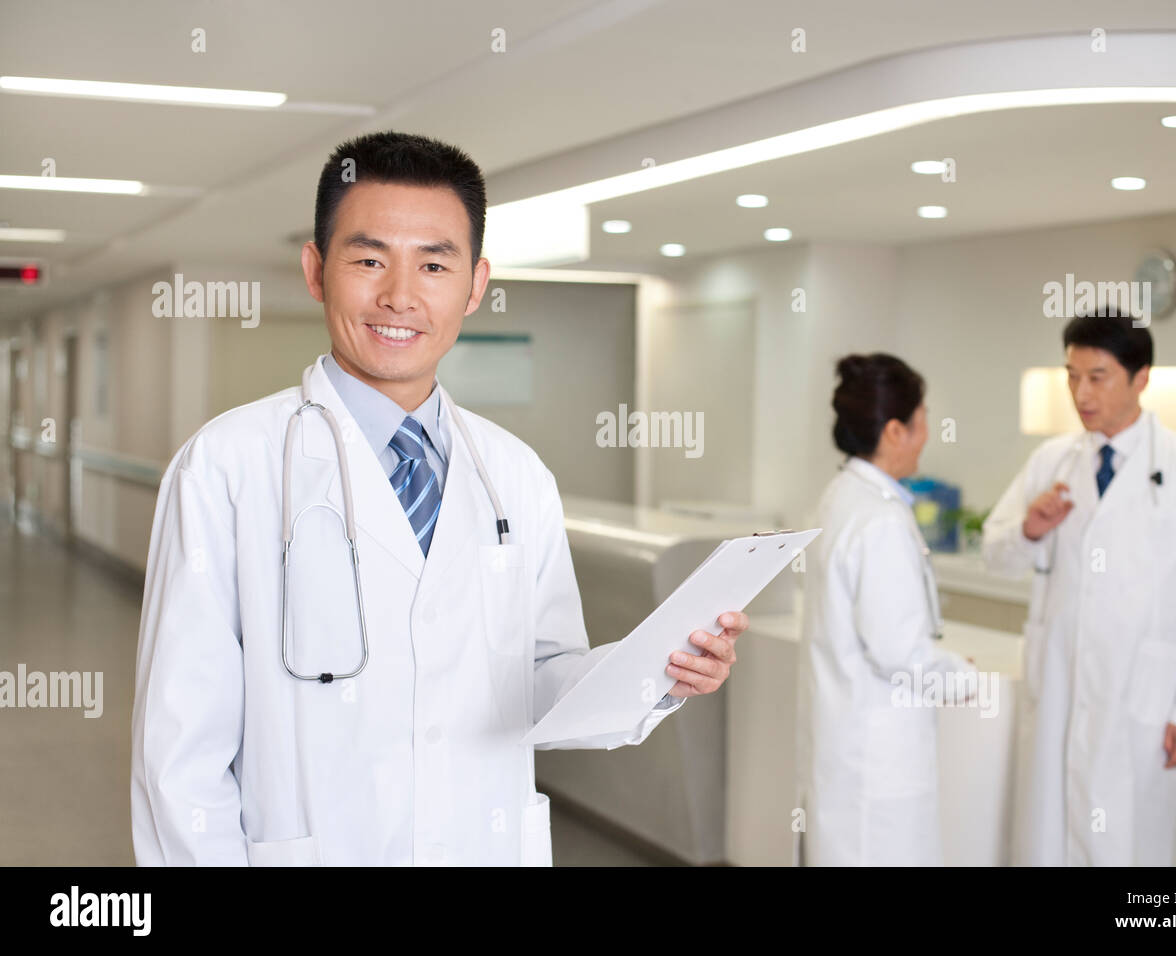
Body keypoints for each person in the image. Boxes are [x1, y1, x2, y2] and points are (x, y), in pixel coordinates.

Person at [130, 131, 749, 866]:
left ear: (475, 283)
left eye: (433, 263)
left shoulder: (515, 474)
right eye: (368, 260)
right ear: (316, 270)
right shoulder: (226, 466)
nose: (400, 295)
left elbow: (544, 680)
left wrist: (659, 672)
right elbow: (180, 747)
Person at [982, 313, 1176, 866]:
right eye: (1071, 376)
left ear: (1141, 378)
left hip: (1141, 695)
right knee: (1049, 836)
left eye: (1098, 377)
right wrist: (1030, 527)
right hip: (1061, 687)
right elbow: (995, 556)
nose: (1081, 393)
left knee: (1127, 842)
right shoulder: (1052, 460)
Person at [795, 353, 976, 866]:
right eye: (922, 423)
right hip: (876, 758)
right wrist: (961, 676)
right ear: (896, 430)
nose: (926, 435)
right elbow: (897, 651)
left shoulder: (841, 498)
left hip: (845, 745)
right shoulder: (880, 520)